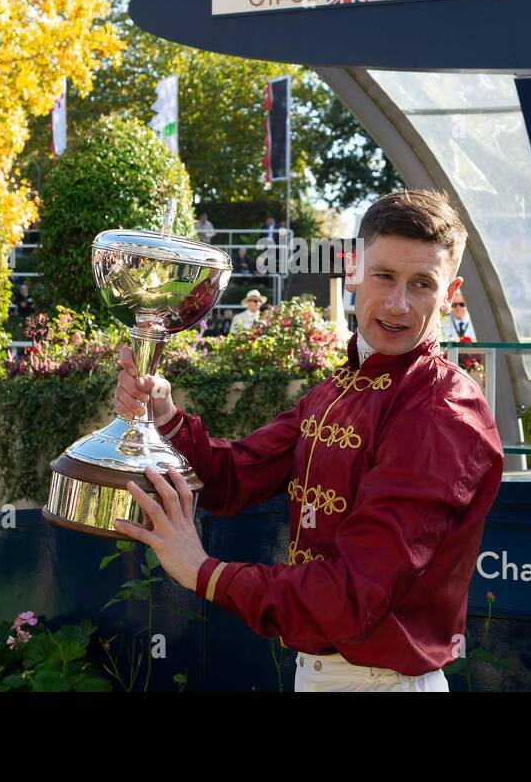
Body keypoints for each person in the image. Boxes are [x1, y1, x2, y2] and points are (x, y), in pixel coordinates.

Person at [112, 189, 504, 692]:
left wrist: (205, 572)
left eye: (422, 284)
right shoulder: (338, 388)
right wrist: (165, 413)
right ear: (354, 273)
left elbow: (353, 596)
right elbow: (234, 478)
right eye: (384, 275)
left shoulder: (441, 409)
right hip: (323, 674)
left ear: (450, 294)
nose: (398, 303)